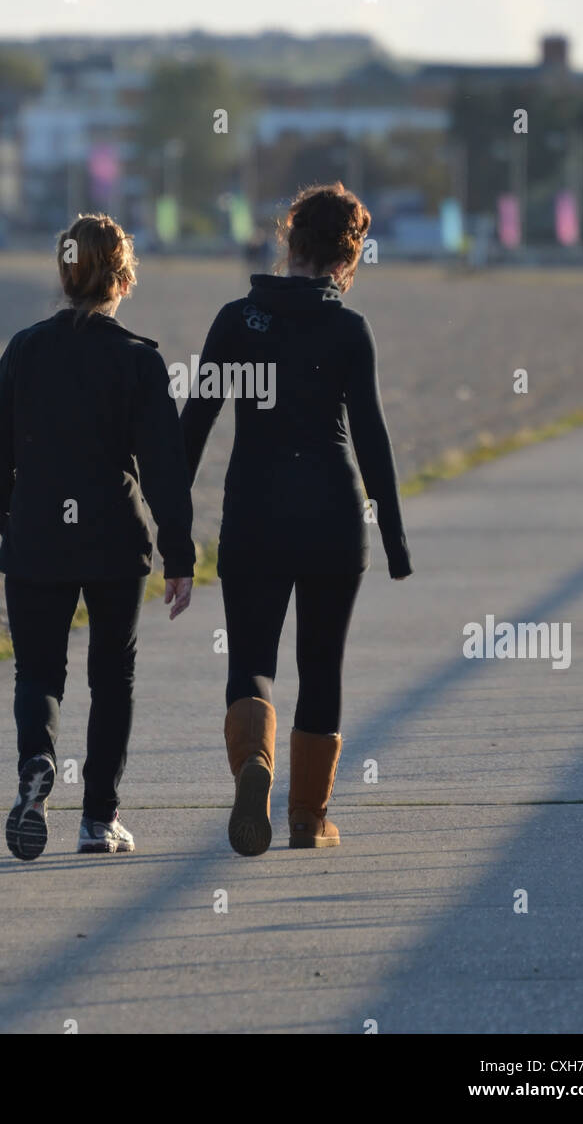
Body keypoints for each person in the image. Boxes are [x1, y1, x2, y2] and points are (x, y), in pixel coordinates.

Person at [180, 182, 412, 857]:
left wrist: (167, 529)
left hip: (253, 510)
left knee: (251, 658)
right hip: (332, 518)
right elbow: (371, 437)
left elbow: (191, 430)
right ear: (350, 256)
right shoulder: (347, 329)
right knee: (321, 663)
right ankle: (308, 821)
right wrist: (393, 538)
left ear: (288, 242)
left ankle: (255, 763)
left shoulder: (235, 319)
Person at [0, 214, 194, 861]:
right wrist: (179, 554)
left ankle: (37, 765)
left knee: (38, 672)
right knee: (112, 677)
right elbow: (164, 468)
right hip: (111, 538)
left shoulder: (24, 349)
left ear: (65, 274)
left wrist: (8, 516)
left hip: (38, 533)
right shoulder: (137, 359)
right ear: (123, 278)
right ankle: (98, 820)